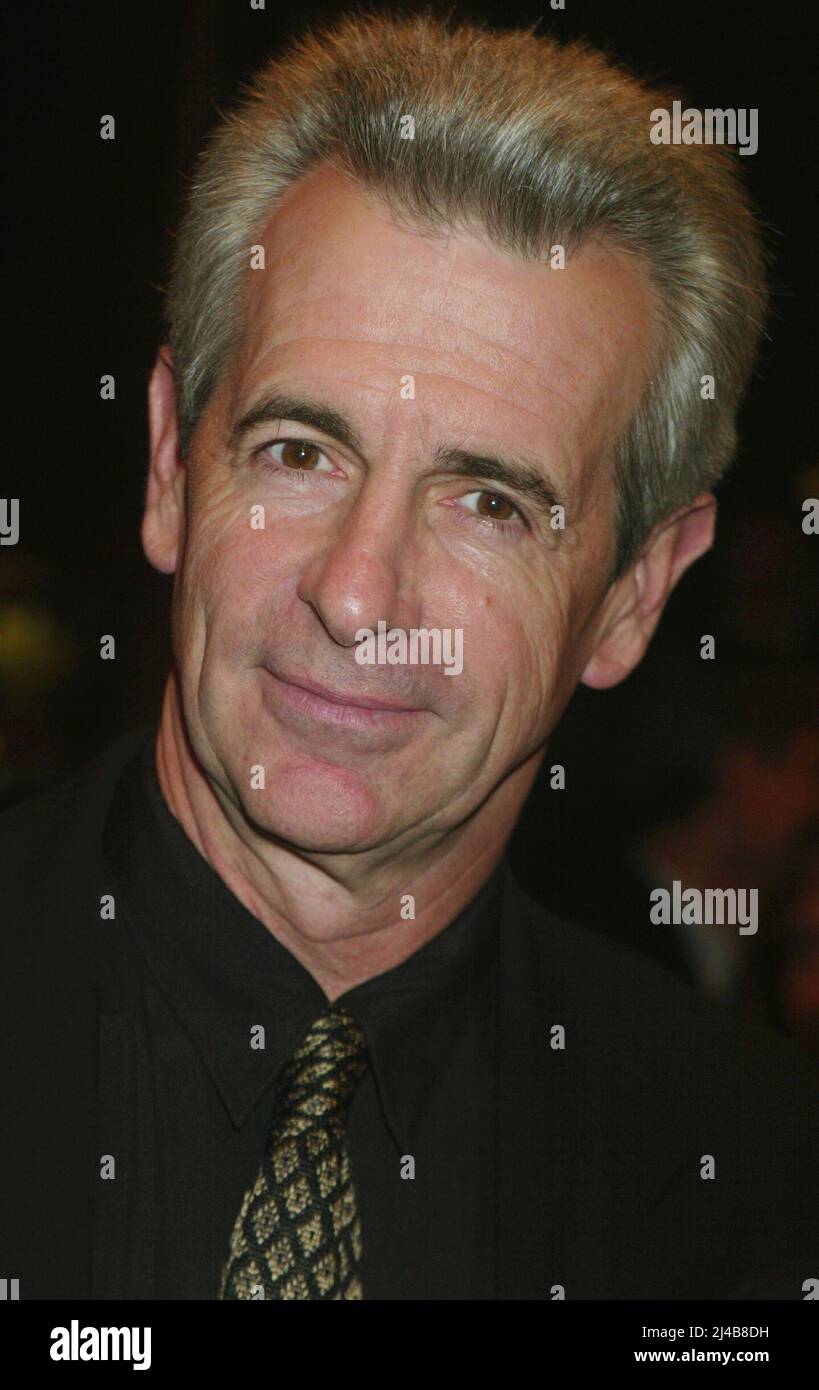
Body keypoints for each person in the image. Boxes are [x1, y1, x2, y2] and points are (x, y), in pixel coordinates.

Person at [2, 10, 817, 1301]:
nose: (356, 590)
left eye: (490, 500)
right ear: (169, 465)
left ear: (634, 593)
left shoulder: (764, 1186)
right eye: (299, 452)